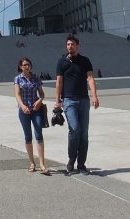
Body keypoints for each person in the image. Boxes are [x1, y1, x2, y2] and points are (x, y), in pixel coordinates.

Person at [55, 34, 100, 175]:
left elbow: (90, 78)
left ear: (77, 46)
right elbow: (59, 82)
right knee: (75, 129)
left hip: (84, 100)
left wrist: (94, 96)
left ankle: (81, 164)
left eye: (73, 44)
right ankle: (71, 159)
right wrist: (57, 100)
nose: (70, 46)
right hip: (69, 100)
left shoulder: (85, 61)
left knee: (84, 133)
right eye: (68, 44)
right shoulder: (62, 62)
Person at [14, 57, 49, 174]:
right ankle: (32, 163)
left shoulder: (36, 78)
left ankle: (42, 164)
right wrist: (22, 106)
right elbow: (17, 95)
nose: (27, 66)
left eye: (28, 64)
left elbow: (42, 94)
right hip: (24, 111)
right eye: (24, 65)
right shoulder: (18, 79)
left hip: (36, 109)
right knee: (28, 136)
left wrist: (39, 100)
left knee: (39, 134)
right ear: (20, 67)